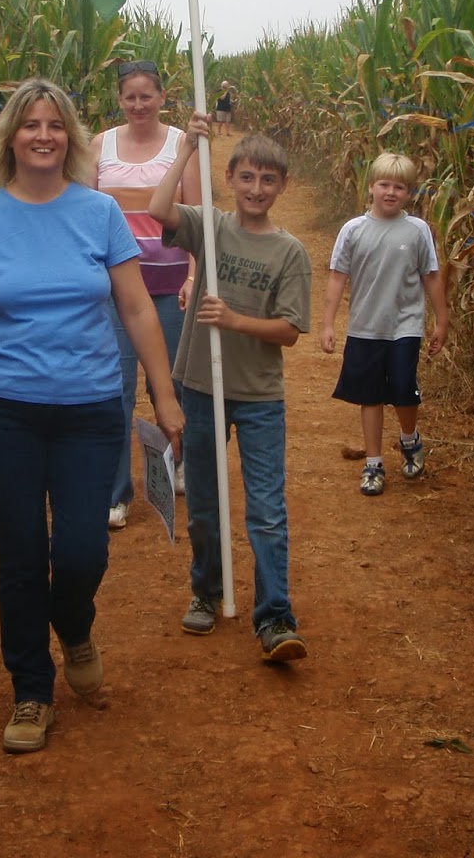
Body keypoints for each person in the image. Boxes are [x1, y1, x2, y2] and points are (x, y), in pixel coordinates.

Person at [0, 78, 185, 755]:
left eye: (54, 125)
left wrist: (164, 391)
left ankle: (75, 624)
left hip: (91, 408)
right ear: (11, 139)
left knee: (84, 551)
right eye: (29, 125)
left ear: (71, 138)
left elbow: (136, 307)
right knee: (24, 556)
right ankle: (31, 689)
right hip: (2, 412)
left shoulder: (97, 214)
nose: (42, 135)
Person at [148, 114, 313, 662]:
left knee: (266, 509)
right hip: (199, 385)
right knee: (203, 504)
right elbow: (157, 211)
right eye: (246, 178)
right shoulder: (211, 227)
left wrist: (235, 319)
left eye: (268, 180)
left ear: (282, 186)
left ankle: (275, 618)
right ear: (231, 179)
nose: (256, 190)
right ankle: (206, 590)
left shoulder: (289, 252)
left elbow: (289, 331)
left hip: (260, 396)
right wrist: (186, 149)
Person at [90, 59, 201, 529]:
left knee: (173, 386)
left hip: (171, 287)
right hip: (118, 292)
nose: (138, 104)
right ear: (119, 99)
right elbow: (85, 215)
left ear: (162, 97)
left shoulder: (182, 144)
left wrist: (193, 276)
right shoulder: (101, 146)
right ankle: (116, 494)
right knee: (114, 390)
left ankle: (178, 464)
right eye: (130, 97)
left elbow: (195, 213)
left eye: (147, 96)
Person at [319, 152, 450, 496]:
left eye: (400, 187)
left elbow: (432, 277)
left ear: (409, 192)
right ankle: (374, 463)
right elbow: (337, 278)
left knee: (404, 387)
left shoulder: (417, 230)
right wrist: (328, 324)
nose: (391, 192)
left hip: (405, 324)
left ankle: (409, 439)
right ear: (371, 187)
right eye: (384, 185)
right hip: (365, 326)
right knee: (371, 395)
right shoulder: (353, 230)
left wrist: (441, 320)